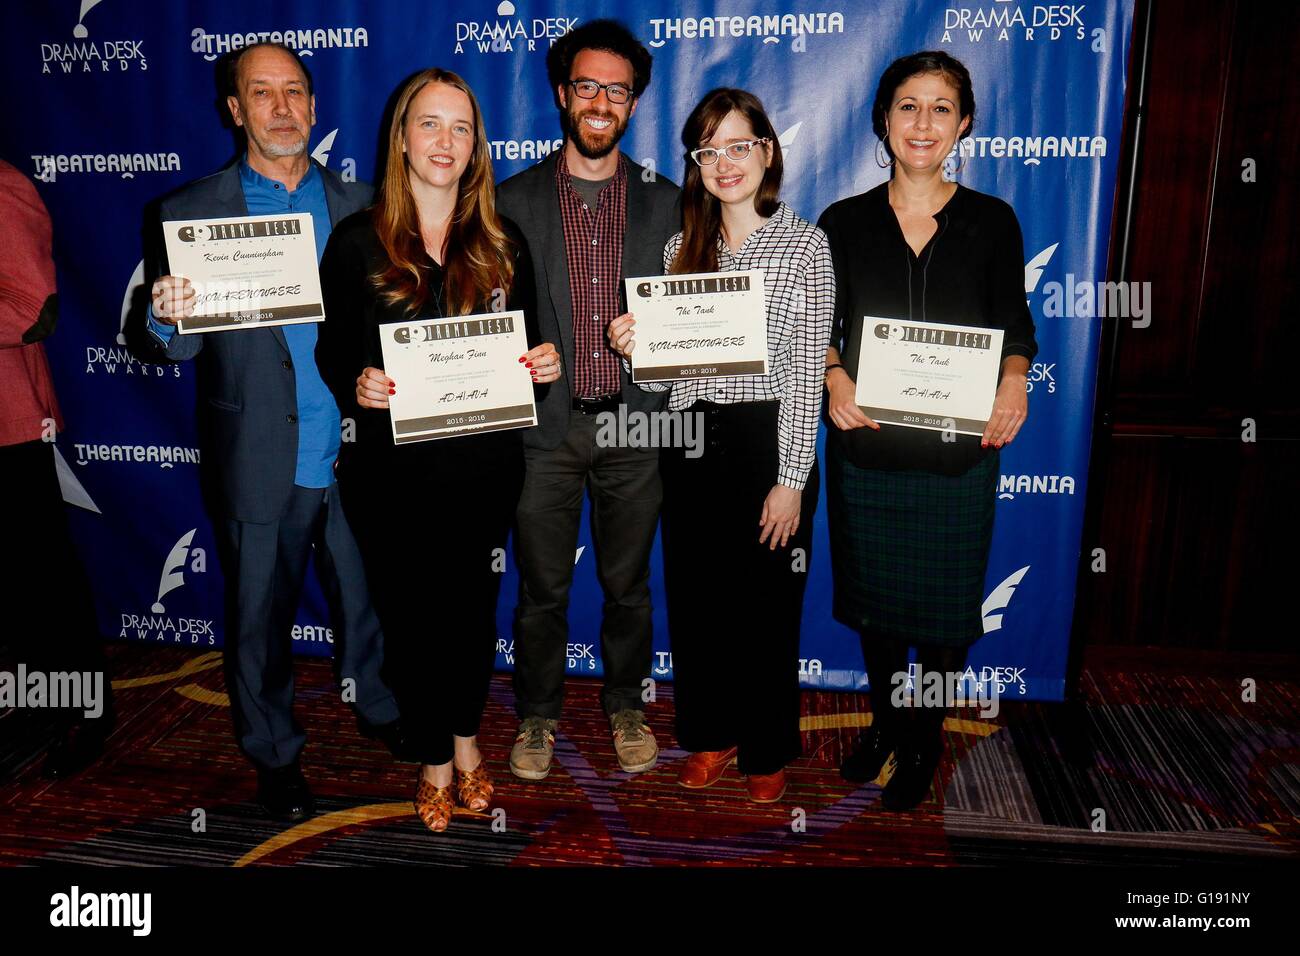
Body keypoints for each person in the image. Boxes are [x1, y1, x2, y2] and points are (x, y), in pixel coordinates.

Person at [138, 43, 402, 823]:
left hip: (358, 451)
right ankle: (274, 750)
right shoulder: (186, 213)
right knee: (259, 620)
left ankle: (379, 707)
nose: (282, 108)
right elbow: (176, 344)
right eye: (262, 93)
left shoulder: (368, 205)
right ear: (235, 109)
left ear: (316, 108)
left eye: (295, 93)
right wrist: (164, 311)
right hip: (259, 453)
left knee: (369, 601)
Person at [315, 69, 560, 833]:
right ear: (403, 137)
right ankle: (432, 757)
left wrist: (541, 370)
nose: (445, 141)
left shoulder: (503, 240)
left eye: (461, 127)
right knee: (410, 618)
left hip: (482, 471)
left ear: (477, 144)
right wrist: (357, 382)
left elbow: (525, 361)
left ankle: (465, 740)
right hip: (389, 474)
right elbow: (331, 351)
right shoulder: (357, 241)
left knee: (469, 611)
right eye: (430, 124)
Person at [818, 51, 1037, 811]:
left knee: (945, 620)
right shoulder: (842, 222)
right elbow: (820, 328)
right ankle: (882, 724)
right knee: (877, 609)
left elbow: (1016, 324)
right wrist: (833, 376)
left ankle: (924, 737)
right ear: (884, 119)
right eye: (908, 106)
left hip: (958, 456)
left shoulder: (993, 221)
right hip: (868, 447)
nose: (923, 122)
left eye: (941, 107)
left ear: (964, 123)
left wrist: (1014, 380)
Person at [606, 89, 834, 803]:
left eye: (741, 145)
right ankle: (710, 735)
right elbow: (671, 374)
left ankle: (765, 746)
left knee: (766, 605)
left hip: (770, 440)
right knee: (700, 600)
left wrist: (792, 476)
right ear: (696, 164)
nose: (725, 163)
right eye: (710, 151)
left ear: (767, 151)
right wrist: (632, 348)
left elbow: (804, 373)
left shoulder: (806, 246)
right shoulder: (681, 248)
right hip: (693, 438)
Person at [495, 19, 681, 781]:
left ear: (633, 104)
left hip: (638, 423)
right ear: (562, 95)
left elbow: (696, 327)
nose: (601, 101)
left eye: (617, 89)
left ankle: (626, 705)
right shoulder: (507, 202)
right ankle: (537, 717)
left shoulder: (669, 203)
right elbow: (478, 323)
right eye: (587, 86)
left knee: (628, 585)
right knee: (543, 588)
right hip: (545, 429)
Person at [0, 158, 116, 780]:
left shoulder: (3, 185)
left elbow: (33, 309)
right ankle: (31, 700)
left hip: (9, 422)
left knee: (40, 579)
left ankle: (83, 711)